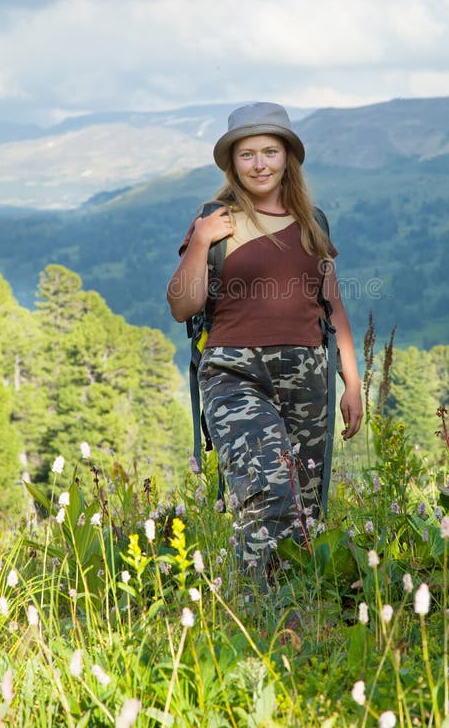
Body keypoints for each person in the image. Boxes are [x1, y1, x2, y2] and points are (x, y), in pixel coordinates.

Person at [167, 101, 362, 587]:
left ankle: (299, 607)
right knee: (266, 490)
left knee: (307, 506)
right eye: (248, 154)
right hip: (234, 373)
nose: (260, 164)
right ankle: (256, 604)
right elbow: (181, 306)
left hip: (308, 374)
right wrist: (198, 243)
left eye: (270, 152)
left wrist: (352, 382)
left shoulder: (312, 221)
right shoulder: (214, 221)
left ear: (287, 158)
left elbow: (332, 306)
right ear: (233, 164)